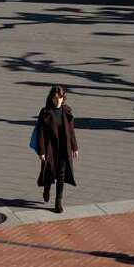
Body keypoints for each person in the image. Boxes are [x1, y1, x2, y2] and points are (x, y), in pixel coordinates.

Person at [33, 84, 78, 213]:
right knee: (49, 172)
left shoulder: (67, 111)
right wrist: (41, 152)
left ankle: (58, 202)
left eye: (61, 98)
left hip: (64, 149)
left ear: (64, 98)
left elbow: (71, 131)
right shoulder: (45, 112)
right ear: (51, 98)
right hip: (50, 149)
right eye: (56, 98)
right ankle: (46, 188)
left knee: (61, 176)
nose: (58, 100)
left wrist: (74, 147)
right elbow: (40, 133)